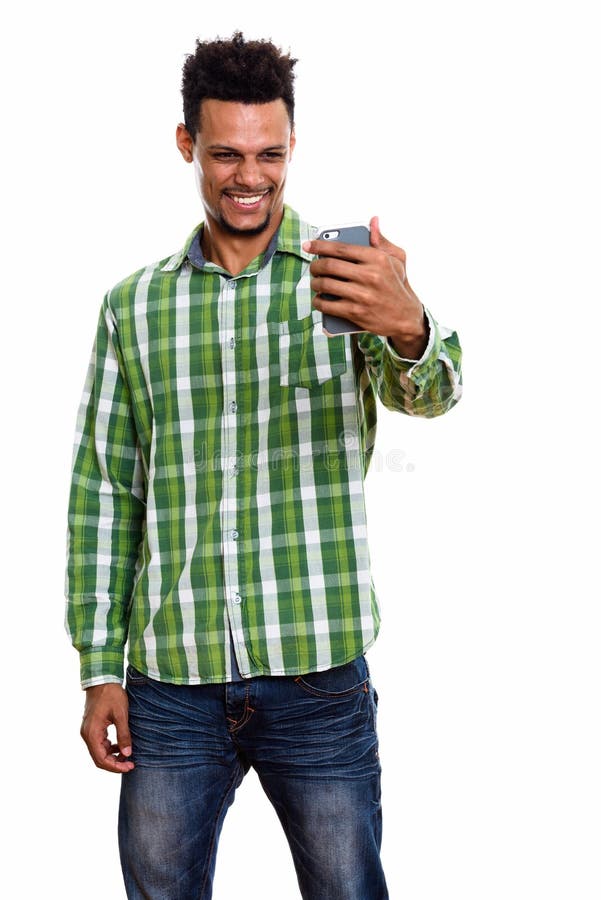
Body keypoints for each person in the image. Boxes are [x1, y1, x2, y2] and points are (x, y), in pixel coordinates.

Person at [64, 31, 462, 900]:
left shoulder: (342, 274)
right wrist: (98, 667)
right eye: (226, 154)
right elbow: (105, 490)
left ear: (291, 145)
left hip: (317, 673)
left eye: (270, 154)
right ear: (187, 145)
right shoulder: (134, 306)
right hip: (171, 683)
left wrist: (409, 326)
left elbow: (432, 396)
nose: (250, 176)